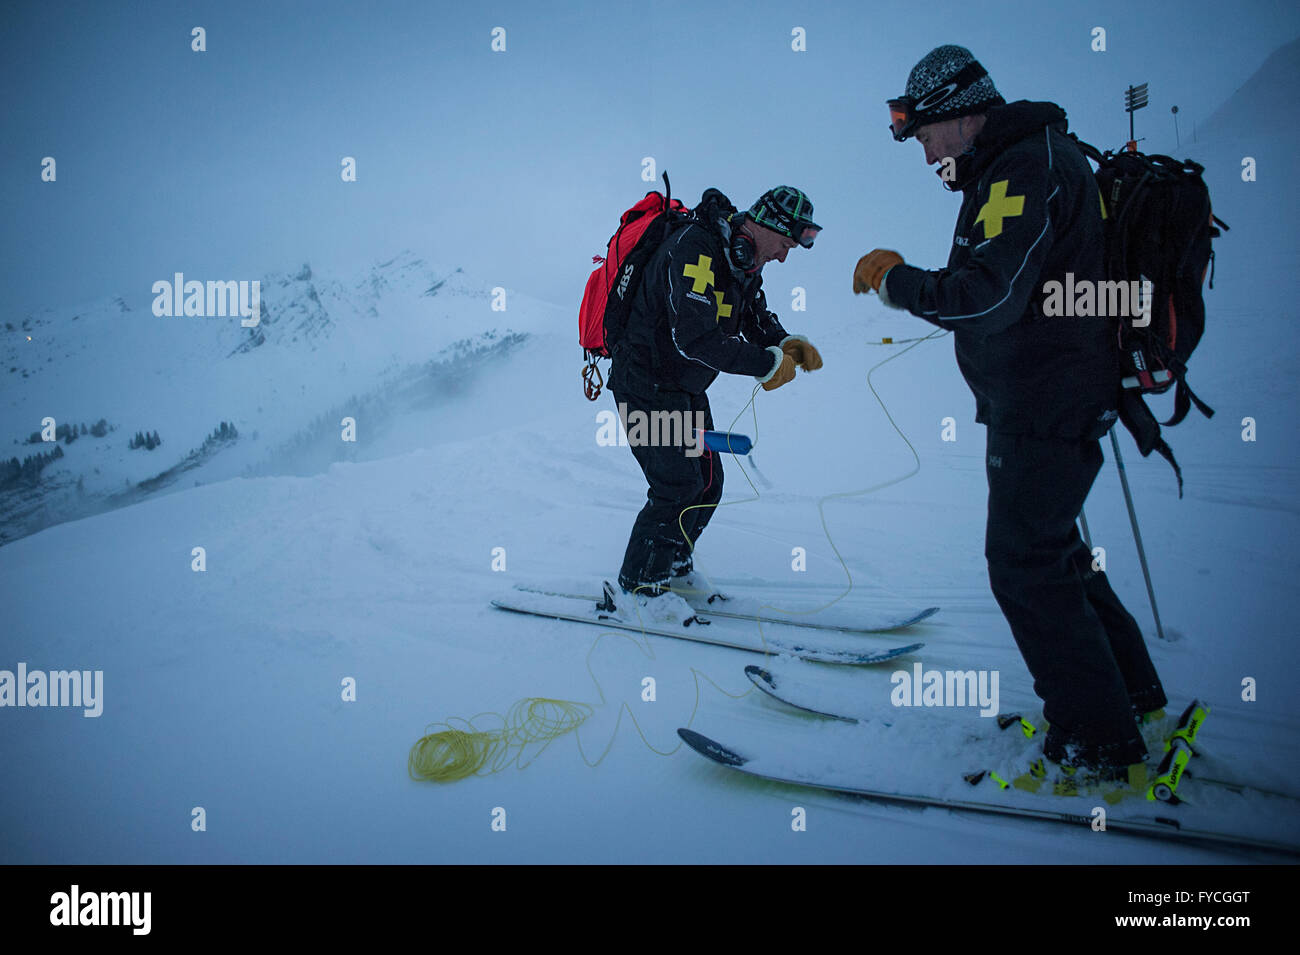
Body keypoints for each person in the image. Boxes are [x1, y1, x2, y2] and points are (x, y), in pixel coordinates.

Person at [853, 45, 1167, 783]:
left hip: (1046, 400)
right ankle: (1130, 700)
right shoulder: (1027, 160)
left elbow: (988, 298)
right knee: (1051, 554)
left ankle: (1096, 743)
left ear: (965, 114)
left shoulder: (1024, 167)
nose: (923, 149)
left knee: (1023, 566)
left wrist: (898, 281)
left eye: (926, 132)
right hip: (1053, 394)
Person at [607, 185, 822, 613]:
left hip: (682, 386)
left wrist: (786, 343)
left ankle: (672, 566)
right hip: (644, 382)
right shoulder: (697, 249)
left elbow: (752, 315)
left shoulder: (740, 261)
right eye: (783, 245)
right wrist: (764, 362)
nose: (783, 257)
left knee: (706, 482)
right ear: (763, 227)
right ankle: (638, 591)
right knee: (676, 485)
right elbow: (695, 337)